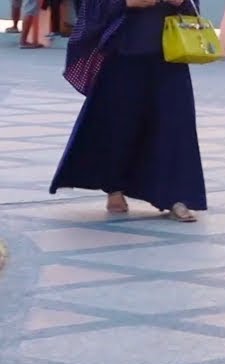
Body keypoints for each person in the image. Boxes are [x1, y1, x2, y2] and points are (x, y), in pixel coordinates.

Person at [49, 0, 207, 221]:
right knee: (118, 124)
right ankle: (115, 188)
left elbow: (193, 9)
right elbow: (90, 7)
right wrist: (126, 3)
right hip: (122, 55)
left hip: (169, 56)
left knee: (174, 127)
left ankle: (176, 198)